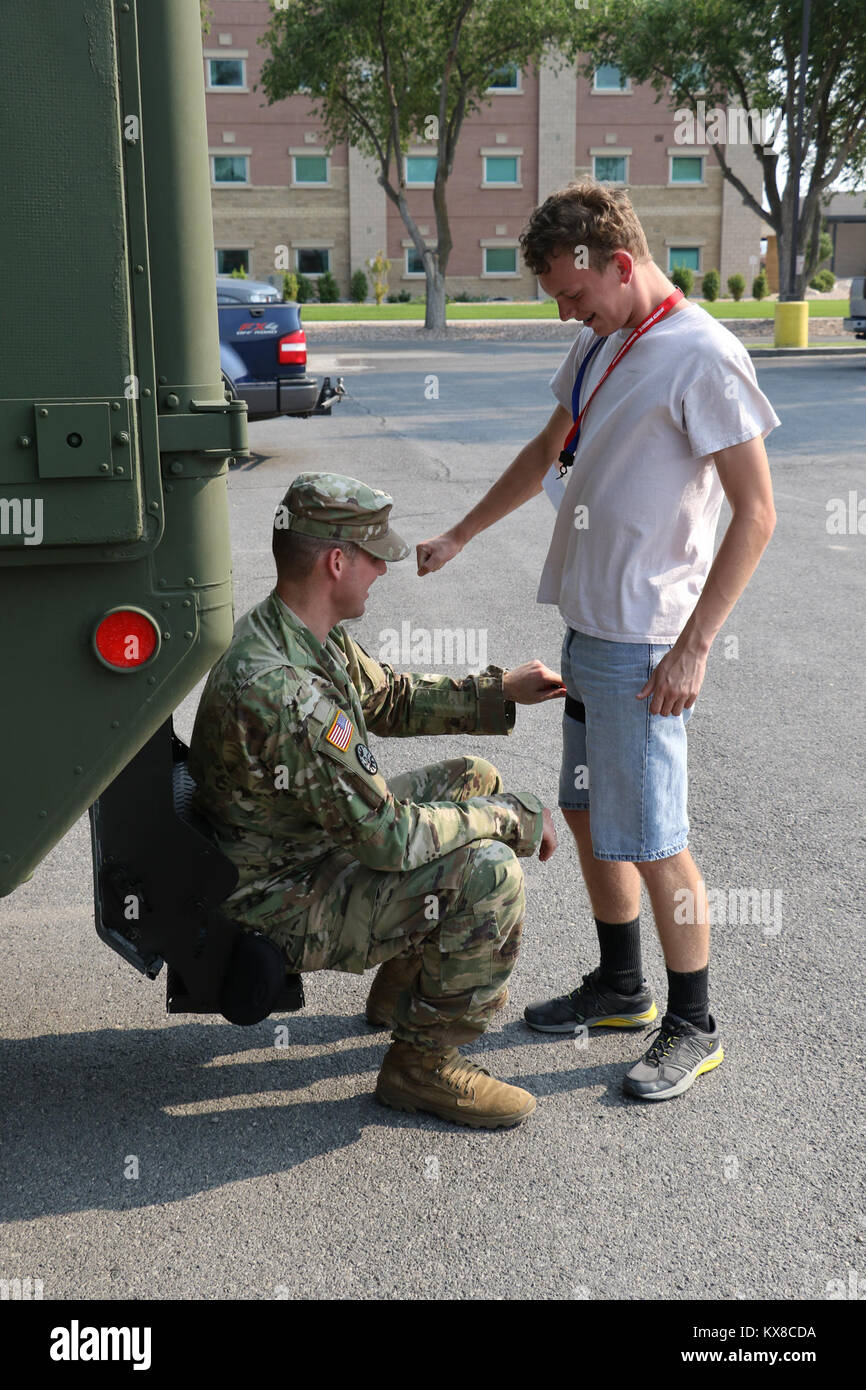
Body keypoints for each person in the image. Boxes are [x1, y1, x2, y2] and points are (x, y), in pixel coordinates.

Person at [417, 181, 780, 1101]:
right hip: (589, 627)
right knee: (587, 815)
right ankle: (621, 985)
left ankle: (693, 1022)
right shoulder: (600, 345)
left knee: (655, 837)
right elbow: (546, 452)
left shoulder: (704, 355)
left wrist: (696, 646)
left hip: (646, 642)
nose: (567, 313)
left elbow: (758, 513)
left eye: (574, 295)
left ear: (620, 264)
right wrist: (463, 532)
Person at [188, 472, 564, 1129]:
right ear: (337, 562)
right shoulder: (286, 693)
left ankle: (406, 986)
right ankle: (421, 1068)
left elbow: (386, 697)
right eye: (374, 557)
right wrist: (509, 820)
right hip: (277, 898)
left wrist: (499, 689)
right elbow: (387, 838)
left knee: (471, 777)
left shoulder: (297, 629)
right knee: (488, 872)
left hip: (301, 846)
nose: (383, 570)